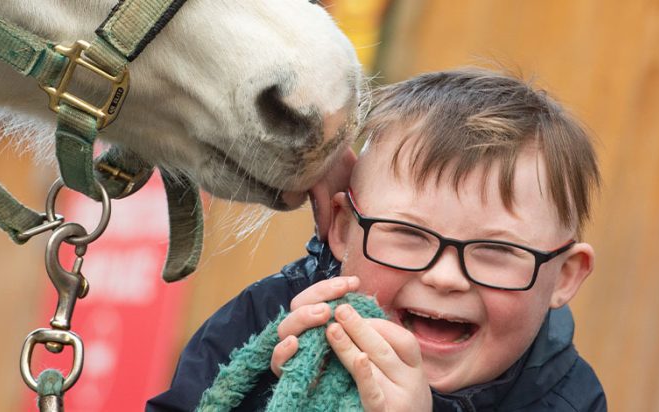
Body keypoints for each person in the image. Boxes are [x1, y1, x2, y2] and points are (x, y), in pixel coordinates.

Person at [147, 68, 607, 411]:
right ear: (344, 228)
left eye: (497, 251)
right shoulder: (262, 328)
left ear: (564, 276)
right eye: (407, 233)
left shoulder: (567, 399)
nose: (445, 277)